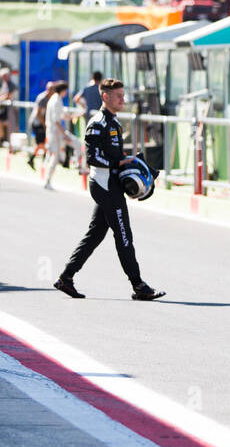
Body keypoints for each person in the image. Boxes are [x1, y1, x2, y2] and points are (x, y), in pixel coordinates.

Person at [53, 78, 164, 301]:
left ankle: (66, 278)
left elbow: (113, 155)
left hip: (111, 184)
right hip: (104, 186)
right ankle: (139, 285)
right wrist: (118, 163)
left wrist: (128, 161)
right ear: (105, 96)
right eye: (118, 96)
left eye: (123, 95)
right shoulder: (97, 123)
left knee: (95, 235)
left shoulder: (114, 122)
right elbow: (93, 158)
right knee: (123, 235)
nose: (123, 99)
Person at [42, 81, 68, 190]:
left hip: (52, 131)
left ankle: (47, 178)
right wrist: (64, 134)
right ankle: (47, 180)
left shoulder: (54, 99)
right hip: (54, 132)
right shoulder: (57, 100)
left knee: (52, 155)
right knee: (55, 156)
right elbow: (57, 120)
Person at [29, 81, 54, 170]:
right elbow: (38, 114)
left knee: (41, 143)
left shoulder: (50, 98)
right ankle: (40, 159)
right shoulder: (43, 98)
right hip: (37, 123)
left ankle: (35, 159)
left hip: (41, 123)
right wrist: (45, 124)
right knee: (41, 143)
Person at [0, 67, 16, 151]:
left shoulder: (10, 84)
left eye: (4, 76)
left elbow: (9, 95)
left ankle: (9, 145)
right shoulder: (4, 84)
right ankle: (1, 138)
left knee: (10, 126)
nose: (3, 78)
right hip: (4, 108)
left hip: (9, 109)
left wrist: (1, 98)